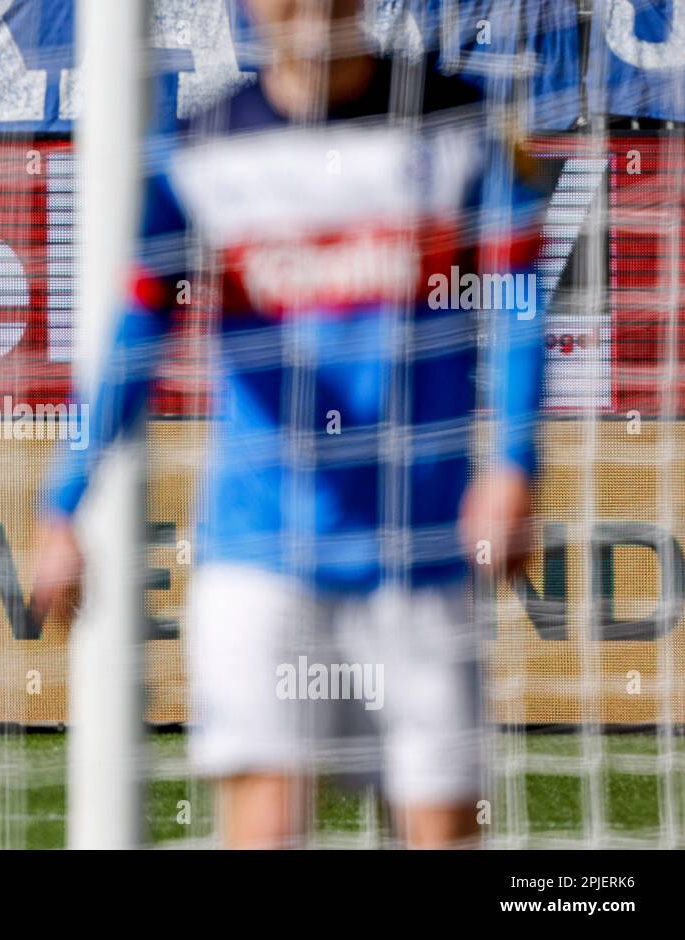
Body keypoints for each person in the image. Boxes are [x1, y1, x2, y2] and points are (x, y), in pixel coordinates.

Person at [31, 0, 547, 847]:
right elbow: (137, 333)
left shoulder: (459, 126)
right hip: (258, 551)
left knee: (442, 829)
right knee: (266, 823)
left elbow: (520, 304)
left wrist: (514, 466)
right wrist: (65, 502)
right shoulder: (201, 151)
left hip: (417, 552)